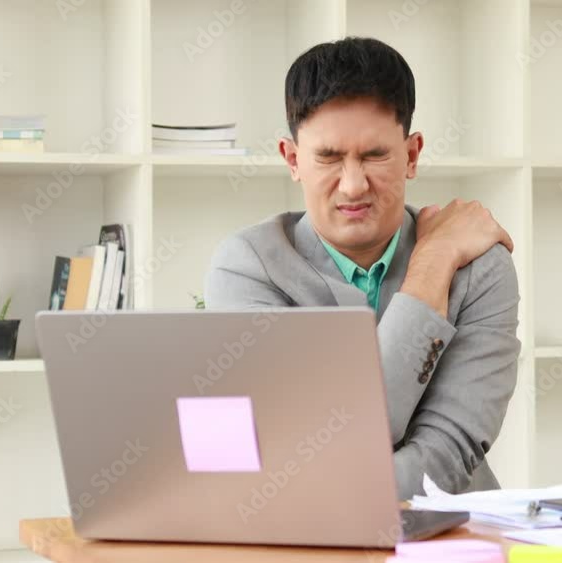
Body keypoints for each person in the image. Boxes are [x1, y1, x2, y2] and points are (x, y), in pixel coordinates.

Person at [205, 37, 521, 499]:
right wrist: (431, 266)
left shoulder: (480, 267)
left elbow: (449, 457)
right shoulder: (247, 269)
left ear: (412, 155)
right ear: (292, 159)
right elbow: (305, 446)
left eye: (375, 156)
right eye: (328, 158)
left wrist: (322, 487)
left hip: (449, 540)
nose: (353, 186)